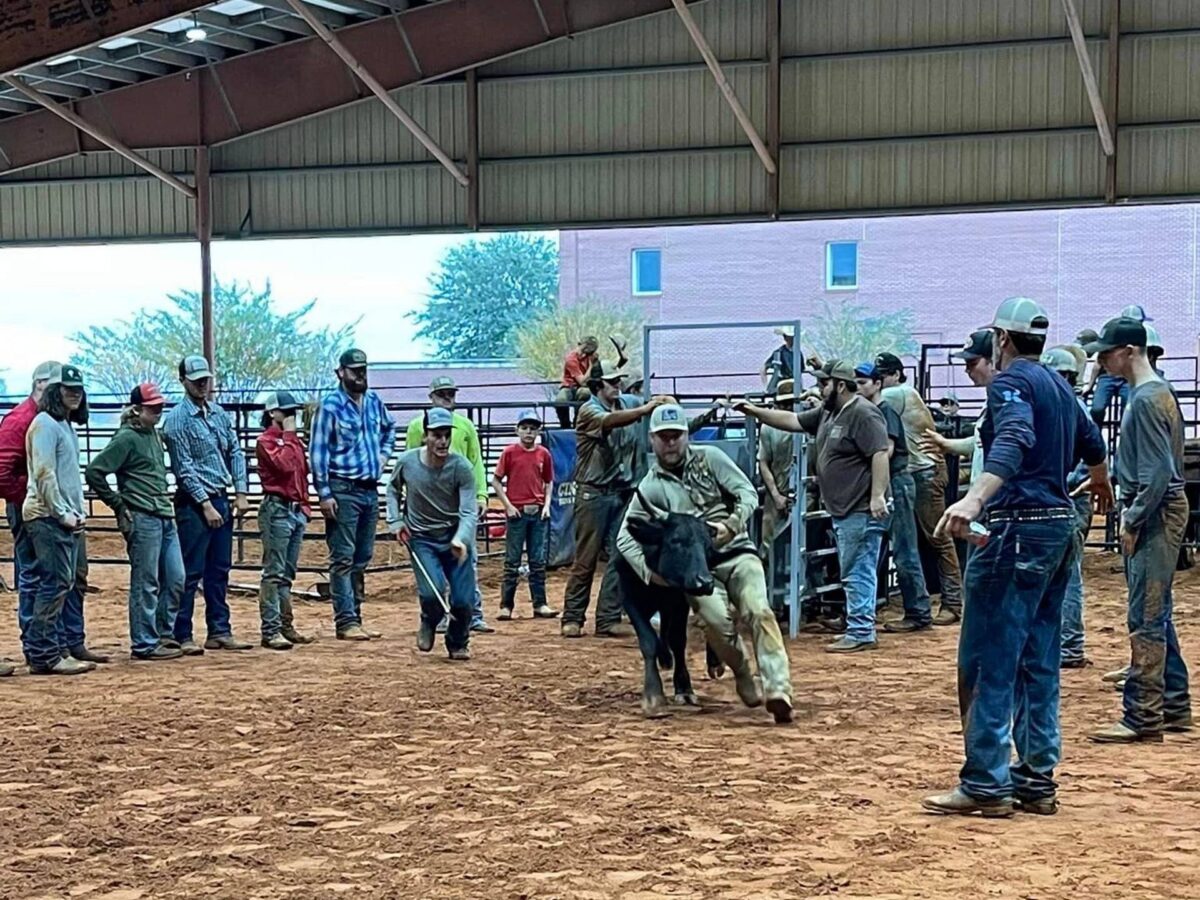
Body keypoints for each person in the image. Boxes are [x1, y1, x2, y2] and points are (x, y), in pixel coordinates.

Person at [923, 297, 1110, 819]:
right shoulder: (1059, 386)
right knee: (1039, 656)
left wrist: (975, 497)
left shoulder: (1011, 385)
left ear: (1002, 340)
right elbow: (1093, 442)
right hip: (1055, 530)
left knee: (986, 656)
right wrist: (1098, 479)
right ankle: (1036, 777)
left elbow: (1014, 439)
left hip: (1014, 529)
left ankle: (985, 780)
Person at [617, 404, 794, 723]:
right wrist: (651, 575)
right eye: (663, 437)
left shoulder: (711, 458)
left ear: (686, 436)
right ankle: (742, 673)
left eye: (676, 436)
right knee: (716, 622)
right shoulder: (650, 486)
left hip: (736, 551)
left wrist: (733, 523)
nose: (670, 443)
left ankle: (778, 688)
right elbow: (625, 537)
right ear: (653, 441)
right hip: (698, 570)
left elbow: (746, 493)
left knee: (759, 610)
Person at [1084, 317, 1192, 743]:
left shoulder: (1145, 399)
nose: (1103, 362)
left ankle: (1143, 715)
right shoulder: (1155, 393)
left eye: (1107, 354)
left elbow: (1158, 473)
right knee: (1156, 610)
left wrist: (1131, 519)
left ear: (1129, 351)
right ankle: (1173, 704)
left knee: (1145, 614)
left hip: (1154, 512)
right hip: (1160, 507)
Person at [738, 361, 891, 652]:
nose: (820, 389)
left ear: (840, 386)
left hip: (859, 507)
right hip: (847, 507)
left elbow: (880, 453)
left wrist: (877, 495)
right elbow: (793, 421)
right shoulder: (829, 412)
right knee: (855, 566)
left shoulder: (862, 413)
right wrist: (754, 412)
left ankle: (861, 630)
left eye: (824, 384)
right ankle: (859, 627)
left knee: (858, 567)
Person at [561, 362, 666, 638]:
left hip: (620, 491)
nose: (617, 385)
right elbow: (610, 422)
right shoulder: (589, 410)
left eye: (618, 380)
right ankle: (572, 616)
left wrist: (661, 402)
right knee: (586, 557)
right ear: (598, 386)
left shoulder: (625, 402)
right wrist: (645, 409)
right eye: (611, 381)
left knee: (621, 556)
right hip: (593, 491)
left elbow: (641, 405)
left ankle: (607, 618)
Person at [84, 383, 183, 662]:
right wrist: (118, 504)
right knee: (147, 579)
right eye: (153, 408)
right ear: (137, 409)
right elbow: (95, 471)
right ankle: (145, 642)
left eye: (159, 407)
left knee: (175, 577)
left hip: (161, 512)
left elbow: (96, 472)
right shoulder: (127, 438)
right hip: (143, 514)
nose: (158, 411)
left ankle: (160, 634)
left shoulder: (151, 433)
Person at [162, 355, 253, 655]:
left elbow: (236, 450)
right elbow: (183, 468)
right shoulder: (176, 420)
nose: (203, 384)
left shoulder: (218, 414)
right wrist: (205, 504)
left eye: (205, 378)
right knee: (191, 570)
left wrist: (241, 491)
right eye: (196, 379)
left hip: (220, 496)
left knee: (219, 568)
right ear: (183, 381)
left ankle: (219, 629)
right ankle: (182, 632)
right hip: (194, 503)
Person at [310, 348, 397, 642]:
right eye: (355, 370)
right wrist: (324, 493)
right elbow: (318, 452)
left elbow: (390, 429)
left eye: (363, 369)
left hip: (368, 489)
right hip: (342, 488)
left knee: (362, 556)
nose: (361, 374)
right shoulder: (331, 406)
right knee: (343, 558)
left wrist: (384, 457)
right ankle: (346, 620)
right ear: (341, 373)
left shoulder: (373, 402)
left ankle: (354, 617)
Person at [21, 364, 104, 675]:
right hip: (48, 517)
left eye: (78, 390)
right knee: (54, 583)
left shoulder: (61, 425)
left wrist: (71, 513)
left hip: (61, 516)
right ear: (55, 392)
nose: (75, 395)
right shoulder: (45, 425)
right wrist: (63, 513)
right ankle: (44, 654)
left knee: (61, 583)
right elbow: (44, 475)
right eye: (69, 390)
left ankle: (50, 649)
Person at [874, 352, 964, 625]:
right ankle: (941, 600)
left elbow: (864, 403)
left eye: (882, 376)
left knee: (937, 537)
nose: (879, 382)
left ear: (896, 374)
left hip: (924, 472)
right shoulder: (902, 393)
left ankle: (953, 602)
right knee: (926, 538)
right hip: (920, 472)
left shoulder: (898, 393)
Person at [387, 408, 478, 660]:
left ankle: (458, 642)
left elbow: (469, 510)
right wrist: (395, 521)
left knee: (463, 599)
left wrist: (461, 538)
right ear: (425, 436)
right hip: (422, 538)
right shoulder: (407, 462)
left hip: (454, 537)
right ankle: (429, 620)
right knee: (432, 591)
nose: (443, 441)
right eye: (436, 435)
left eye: (446, 435)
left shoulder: (461, 467)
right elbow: (392, 490)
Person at [404, 376, 492, 634]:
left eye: (450, 394)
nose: (447, 398)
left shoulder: (464, 426)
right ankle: (439, 614)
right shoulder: (417, 428)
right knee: (434, 565)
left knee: (466, 559)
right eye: (442, 394)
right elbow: (411, 465)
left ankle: (472, 613)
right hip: (430, 505)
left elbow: (476, 460)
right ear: (431, 397)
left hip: (460, 502)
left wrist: (481, 494)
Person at [856, 362, 932, 633]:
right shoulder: (874, 412)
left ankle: (919, 611)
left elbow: (885, 451)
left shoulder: (884, 411)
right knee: (885, 548)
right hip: (888, 483)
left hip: (896, 482)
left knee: (904, 549)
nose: (858, 387)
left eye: (863, 382)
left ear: (878, 384)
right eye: (856, 382)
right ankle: (865, 609)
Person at [0, 360, 60, 673]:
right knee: (35, 572)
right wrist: (25, 497)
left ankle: (43, 642)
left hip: (36, 503)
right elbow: (3, 471)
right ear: (41, 385)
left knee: (40, 573)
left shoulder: (39, 419)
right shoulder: (22, 420)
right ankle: (36, 643)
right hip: (29, 506)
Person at [1040, 347, 1094, 669]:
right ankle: (1067, 643)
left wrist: (1062, 482)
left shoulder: (1068, 408)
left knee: (1067, 572)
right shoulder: (1071, 405)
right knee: (1064, 571)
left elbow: (1091, 455)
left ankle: (1070, 645)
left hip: (1068, 496)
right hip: (1068, 495)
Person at [255, 390, 315, 651]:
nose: (292, 416)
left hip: (292, 509)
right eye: (287, 412)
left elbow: (301, 471)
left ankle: (283, 625)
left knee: (285, 573)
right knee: (274, 571)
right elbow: (286, 467)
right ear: (272, 414)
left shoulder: (288, 441)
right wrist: (291, 437)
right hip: (277, 508)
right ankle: (271, 629)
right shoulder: (267, 441)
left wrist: (304, 506)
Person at [492, 409, 557, 620]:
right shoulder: (509, 453)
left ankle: (540, 603)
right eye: (525, 428)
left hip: (536, 511)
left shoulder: (543, 454)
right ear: (517, 430)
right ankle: (506, 605)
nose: (529, 432)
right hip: (517, 512)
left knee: (537, 560)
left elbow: (548, 481)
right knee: (512, 560)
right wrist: (508, 505)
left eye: (533, 428)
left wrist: (546, 505)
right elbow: (496, 480)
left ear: (538, 431)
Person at [923, 330, 996, 488]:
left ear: (993, 361)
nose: (967, 370)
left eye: (973, 363)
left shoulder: (1006, 400)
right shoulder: (992, 399)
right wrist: (947, 444)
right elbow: (980, 442)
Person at [758, 379, 797, 600]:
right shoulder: (769, 426)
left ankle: (799, 599)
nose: (789, 408)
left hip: (806, 493)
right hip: (778, 493)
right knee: (769, 546)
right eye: (785, 404)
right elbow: (764, 462)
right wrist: (775, 495)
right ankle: (769, 599)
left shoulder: (807, 422)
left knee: (804, 547)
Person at [1084, 304, 1151, 426]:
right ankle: (1095, 434)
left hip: (1126, 380)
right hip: (1107, 378)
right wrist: (1090, 385)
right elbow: (1098, 363)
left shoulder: (1142, 340)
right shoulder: (1114, 334)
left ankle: (1124, 432)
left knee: (1128, 409)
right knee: (1097, 408)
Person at [555, 336, 600, 428]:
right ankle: (565, 426)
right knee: (560, 400)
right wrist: (591, 366)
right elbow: (582, 381)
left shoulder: (592, 358)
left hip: (584, 387)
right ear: (580, 345)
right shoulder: (571, 359)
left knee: (585, 393)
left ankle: (577, 423)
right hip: (569, 386)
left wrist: (594, 364)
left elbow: (587, 382)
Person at [761, 326, 797, 393]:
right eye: (789, 337)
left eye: (792, 337)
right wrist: (765, 385)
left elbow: (800, 371)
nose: (791, 339)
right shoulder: (779, 352)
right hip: (782, 384)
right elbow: (764, 367)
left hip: (794, 385)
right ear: (785, 338)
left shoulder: (798, 353)